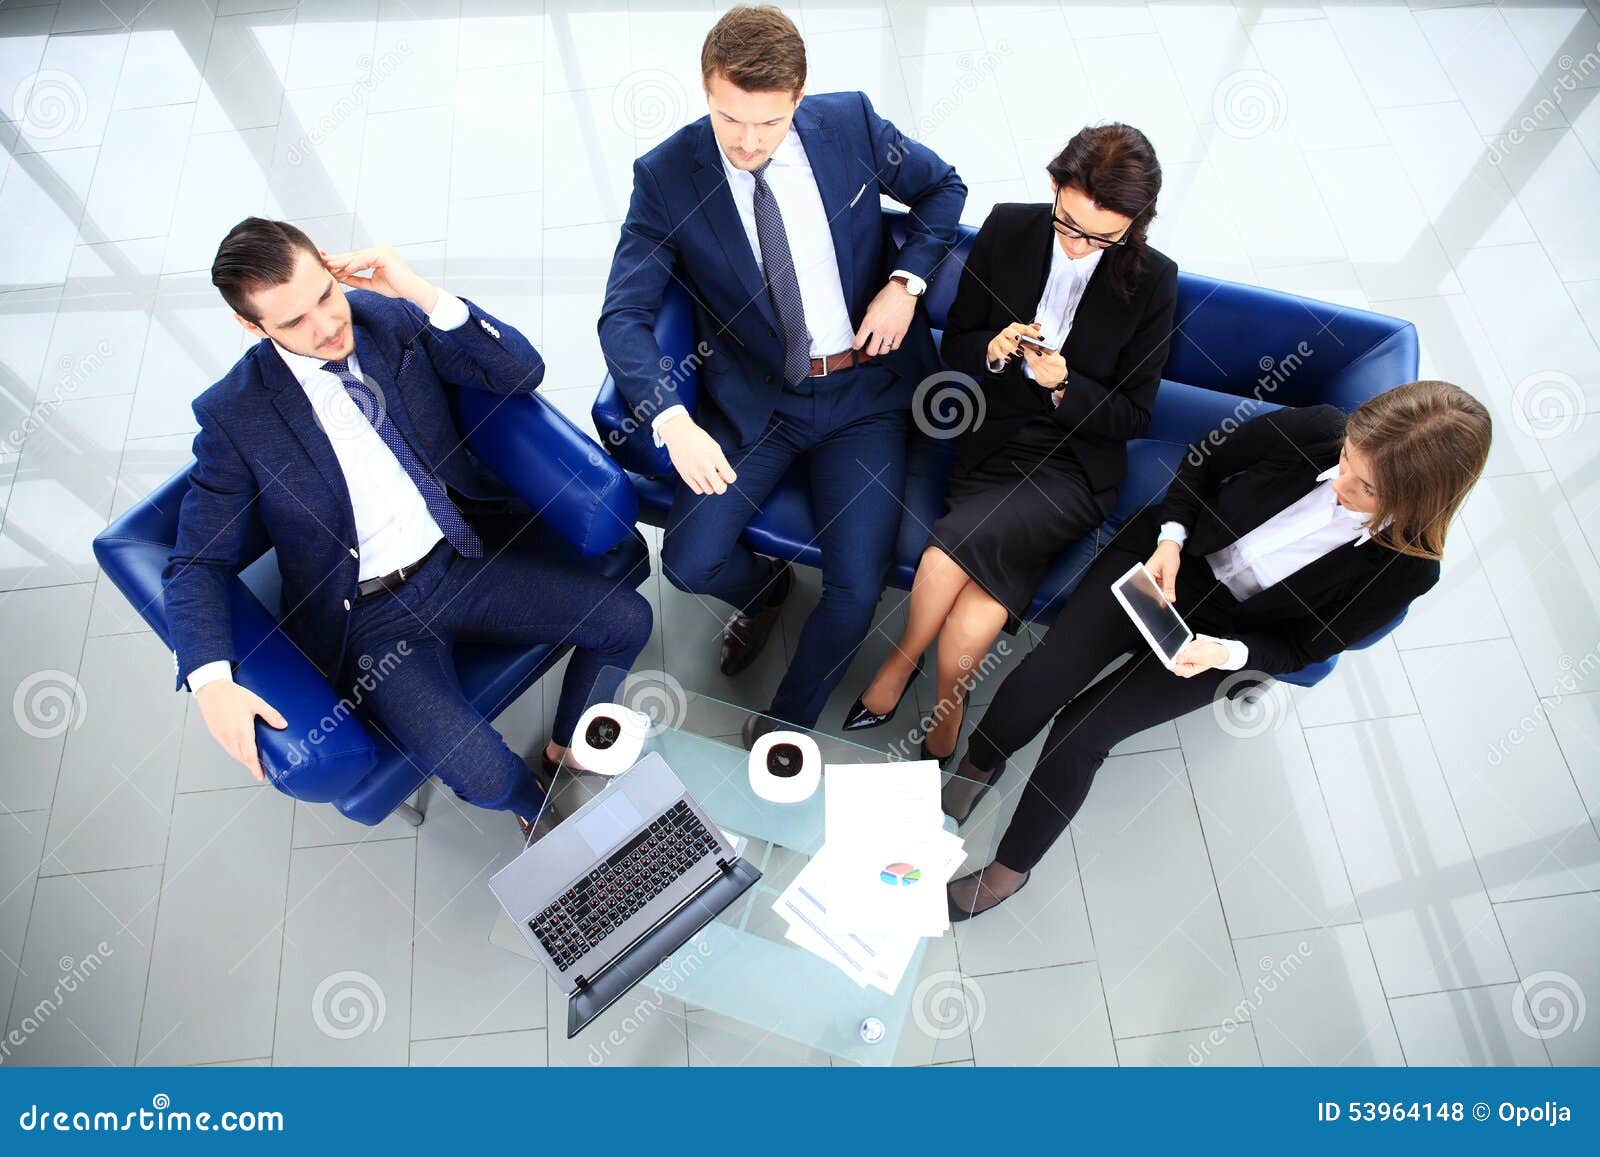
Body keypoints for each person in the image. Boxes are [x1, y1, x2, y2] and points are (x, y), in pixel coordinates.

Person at [165, 219, 652, 837]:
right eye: (293, 322)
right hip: (370, 620)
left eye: (323, 294)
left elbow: (518, 371)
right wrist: (210, 681)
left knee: (628, 621)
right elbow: (195, 564)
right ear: (251, 327)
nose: (326, 326)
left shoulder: (384, 318)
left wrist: (418, 290)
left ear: (329, 265)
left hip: (460, 558)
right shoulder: (234, 415)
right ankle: (532, 805)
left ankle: (568, 750)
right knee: (481, 774)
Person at [942, 381, 1493, 920]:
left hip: (1237, 638)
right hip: (1169, 562)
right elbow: (1205, 461)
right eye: (1347, 458)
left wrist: (1225, 654)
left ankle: (1010, 870)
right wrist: (1170, 540)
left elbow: (1304, 646)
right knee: (1046, 676)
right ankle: (978, 765)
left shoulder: (1408, 570)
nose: (1340, 482)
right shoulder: (1320, 428)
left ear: (1419, 498)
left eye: (1366, 487)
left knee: (1081, 735)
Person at [598, 4, 966, 735]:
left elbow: (943, 188)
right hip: (756, 399)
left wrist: (906, 283)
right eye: (728, 117)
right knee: (689, 563)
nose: (746, 141)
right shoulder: (667, 176)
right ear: (706, 90)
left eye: (767, 122)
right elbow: (623, 315)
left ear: (799, 99)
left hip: (864, 392)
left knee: (855, 590)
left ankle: (785, 721)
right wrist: (672, 422)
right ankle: (765, 589)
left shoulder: (851, 125)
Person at [843, 124, 1176, 765]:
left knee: (944, 561)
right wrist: (992, 350)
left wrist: (1066, 386)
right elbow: (959, 337)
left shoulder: (1155, 279)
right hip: (992, 442)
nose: (1079, 247)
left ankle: (900, 664)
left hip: (1075, 467)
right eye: (1069, 224)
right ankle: (948, 707)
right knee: (971, 616)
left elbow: (1134, 415)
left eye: (1103, 236)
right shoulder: (1011, 226)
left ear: (1135, 224)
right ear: (1054, 187)